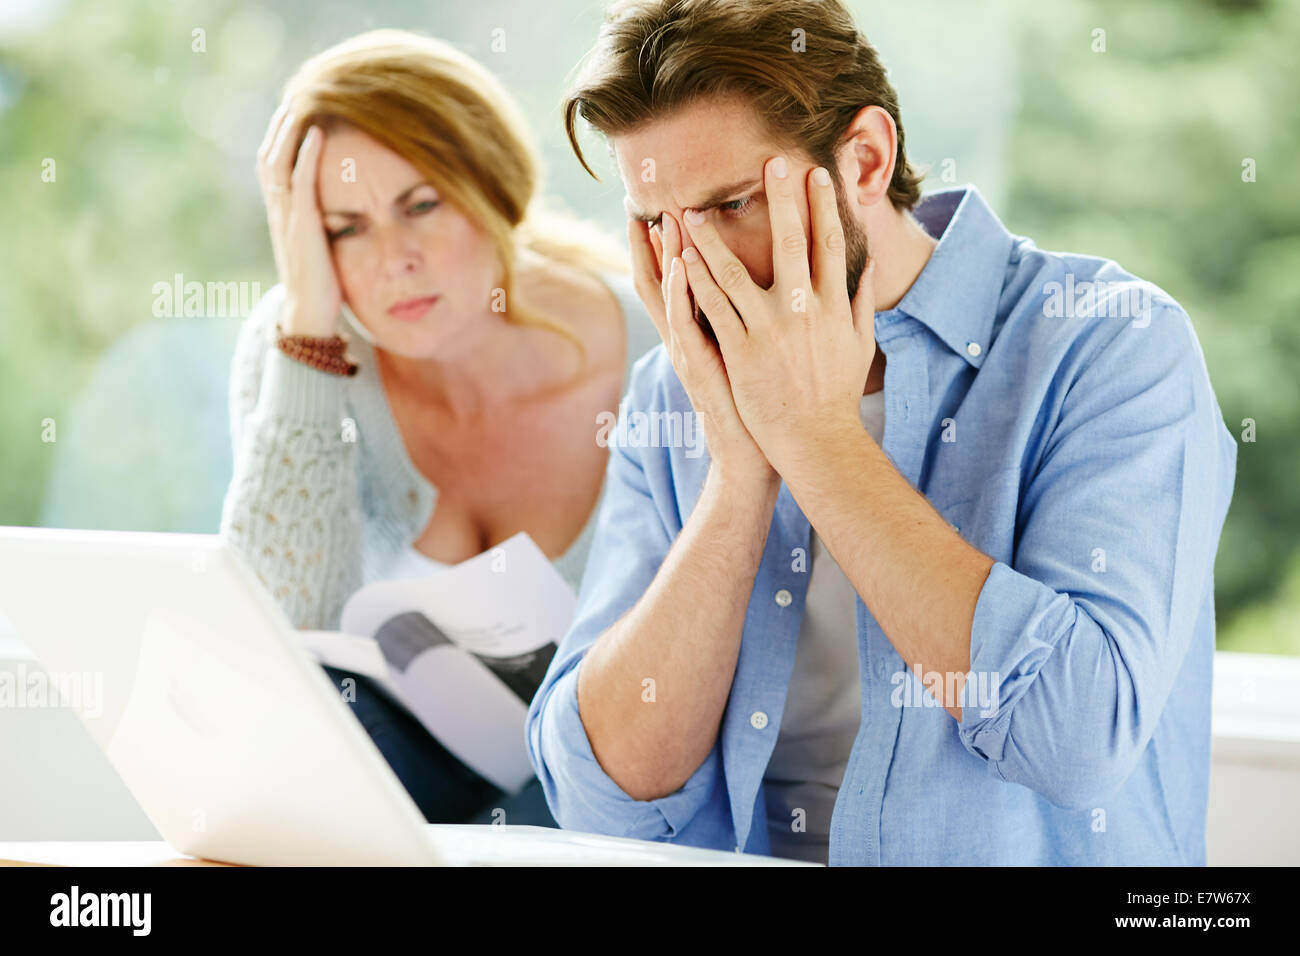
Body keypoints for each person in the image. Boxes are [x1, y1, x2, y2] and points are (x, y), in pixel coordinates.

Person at [526, 0, 1238, 864]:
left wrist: (816, 439)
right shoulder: (674, 391)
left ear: (864, 158)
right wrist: (739, 479)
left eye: (732, 205)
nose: (695, 268)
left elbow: (1077, 738)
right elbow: (601, 796)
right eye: (658, 225)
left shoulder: (1110, 343)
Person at [220, 29, 658, 827]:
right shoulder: (297, 353)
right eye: (344, 227)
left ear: (493, 185)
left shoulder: (656, 351)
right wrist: (311, 336)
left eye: (420, 205)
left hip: (611, 821)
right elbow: (281, 652)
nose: (393, 259)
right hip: (384, 826)